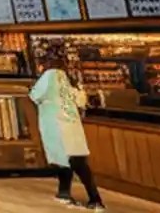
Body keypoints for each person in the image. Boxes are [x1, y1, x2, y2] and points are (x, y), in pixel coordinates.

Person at [31, 57, 105, 211]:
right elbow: (81, 100)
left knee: (67, 160)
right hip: (73, 125)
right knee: (75, 161)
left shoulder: (50, 75)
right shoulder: (68, 79)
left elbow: (36, 95)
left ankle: (95, 199)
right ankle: (65, 193)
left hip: (56, 125)